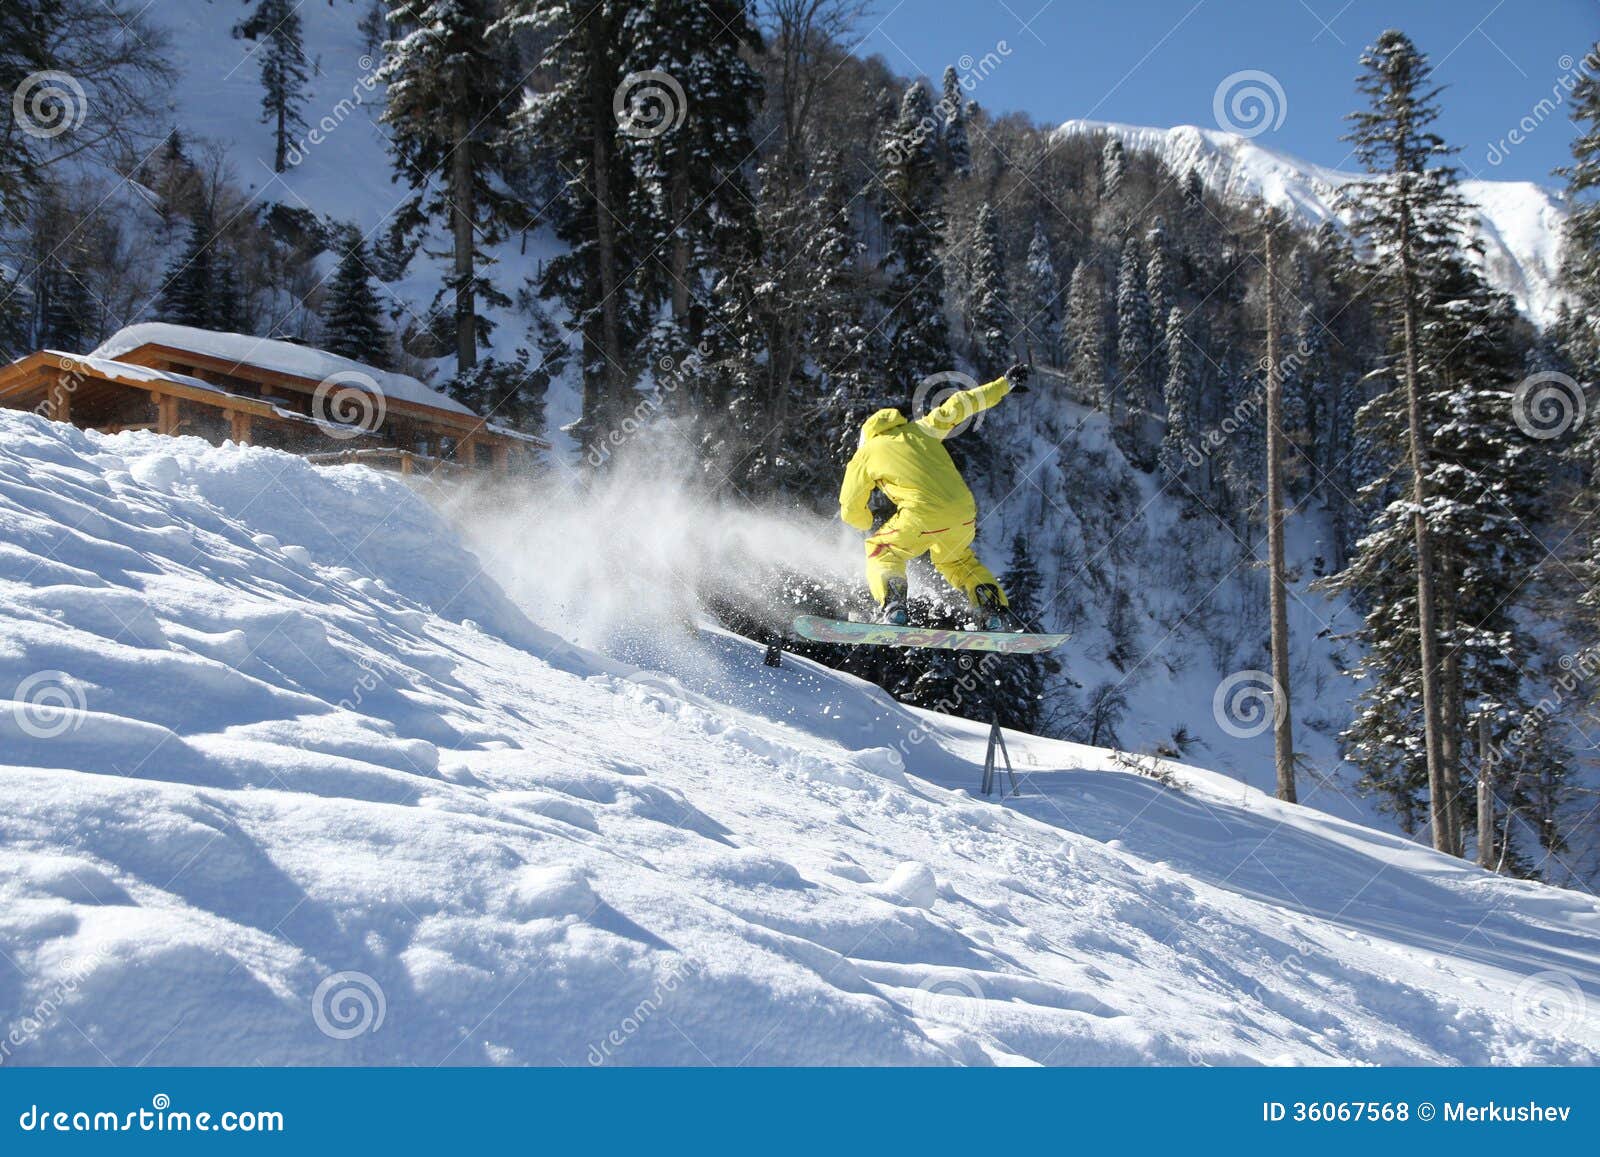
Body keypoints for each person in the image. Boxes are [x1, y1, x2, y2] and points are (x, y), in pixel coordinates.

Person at [838, 363, 1031, 629]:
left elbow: (850, 508)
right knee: (958, 560)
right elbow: (959, 404)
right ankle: (992, 611)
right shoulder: (921, 429)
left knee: (881, 550)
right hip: (963, 510)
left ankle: (894, 607)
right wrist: (1004, 384)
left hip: (922, 513)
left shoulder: (865, 454)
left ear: (864, 438)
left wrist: (864, 521)